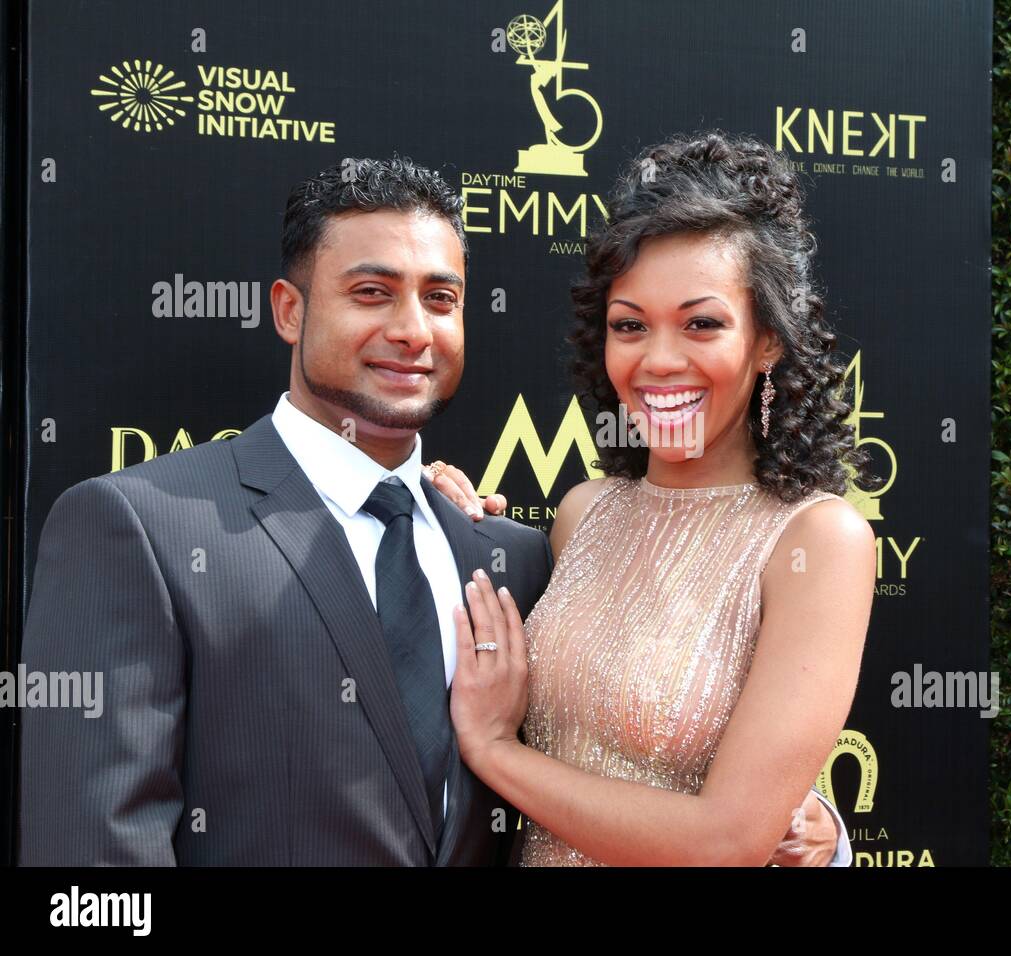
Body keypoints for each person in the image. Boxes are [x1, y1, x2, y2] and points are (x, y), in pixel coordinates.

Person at [18, 154, 846, 866]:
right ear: (289, 309)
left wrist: (810, 825)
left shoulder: (507, 554)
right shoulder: (140, 529)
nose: (413, 330)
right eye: (372, 292)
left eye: (442, 299)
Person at [445, 132, 879, 865]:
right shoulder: (584, 513)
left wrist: (493, 751)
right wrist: (429, 519)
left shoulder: (815, 541)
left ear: (768, 339)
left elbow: (727, 841)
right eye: (630, 326)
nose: (660, 360)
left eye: (701, 323)